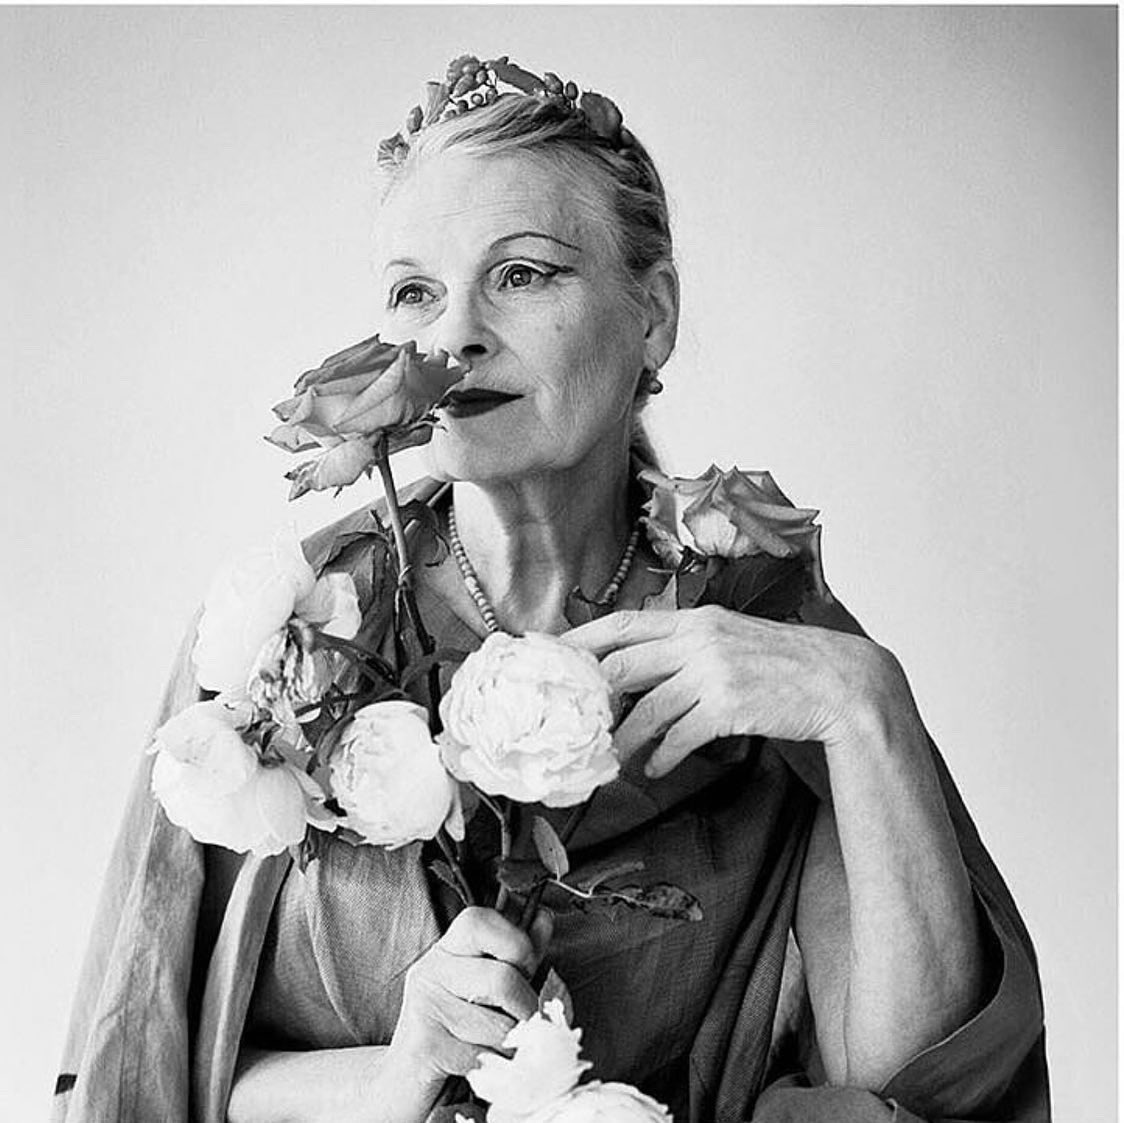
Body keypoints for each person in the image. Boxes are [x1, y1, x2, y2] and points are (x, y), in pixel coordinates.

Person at [54, 55, 1048, 1123]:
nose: (455, 334)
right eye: (415, 290)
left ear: (652, 315)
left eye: (522, 274)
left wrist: (867, 711)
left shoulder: (761, 641)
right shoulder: (288, 635)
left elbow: (901, 1095)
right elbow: (155, 1067)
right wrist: (396, 1075)